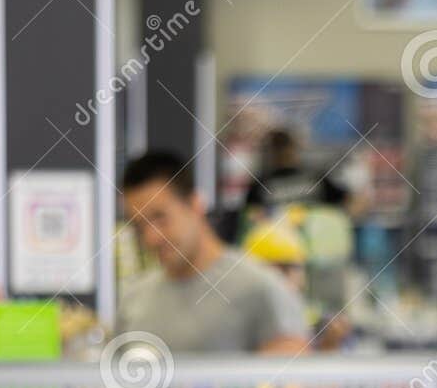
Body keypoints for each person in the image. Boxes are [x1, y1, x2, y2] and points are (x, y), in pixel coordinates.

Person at [119, 150, 309, 354]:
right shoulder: (133, 301)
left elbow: (290, 380)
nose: (151, 237)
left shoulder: (262, 290)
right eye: (139, 226)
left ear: (195, 204)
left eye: (160, 218)